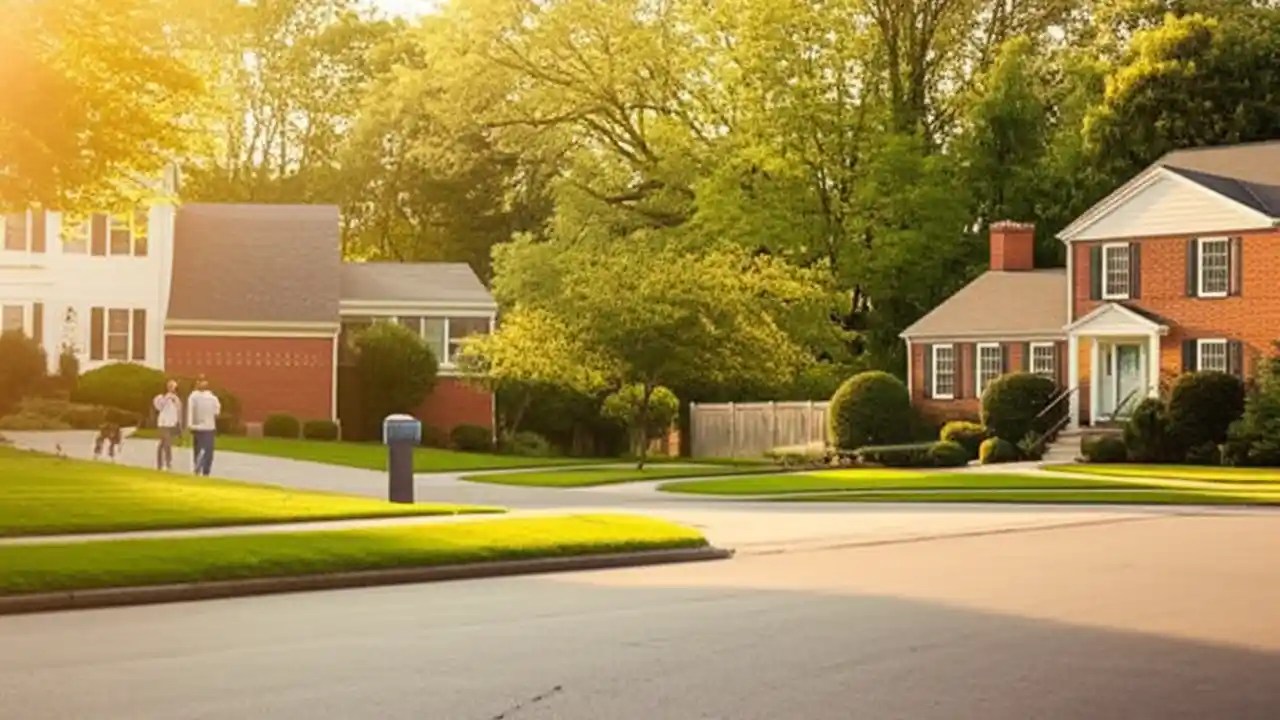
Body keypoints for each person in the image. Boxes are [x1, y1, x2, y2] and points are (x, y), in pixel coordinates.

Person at [186, 376, 222, 476]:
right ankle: (205, 469)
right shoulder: (212, 397)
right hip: (208, 427)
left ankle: (199, 466)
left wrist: (190, 425)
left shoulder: (193, 396)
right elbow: (217, 412)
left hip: (198, 427)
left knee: (199, 449)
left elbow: (190, 411)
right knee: (207, 450)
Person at [152, 379, 183, 471]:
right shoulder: (161, 397)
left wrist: (179, 424)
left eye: (174, 387)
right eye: (171, 387)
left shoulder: (177, 399)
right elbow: (159, 407)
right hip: (163, 423)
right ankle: (168, 463)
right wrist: (167, 398)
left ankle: (160, 464)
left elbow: (179, 410)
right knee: (167, 442)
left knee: (163, 443)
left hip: (172, 424)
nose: (173, 389)